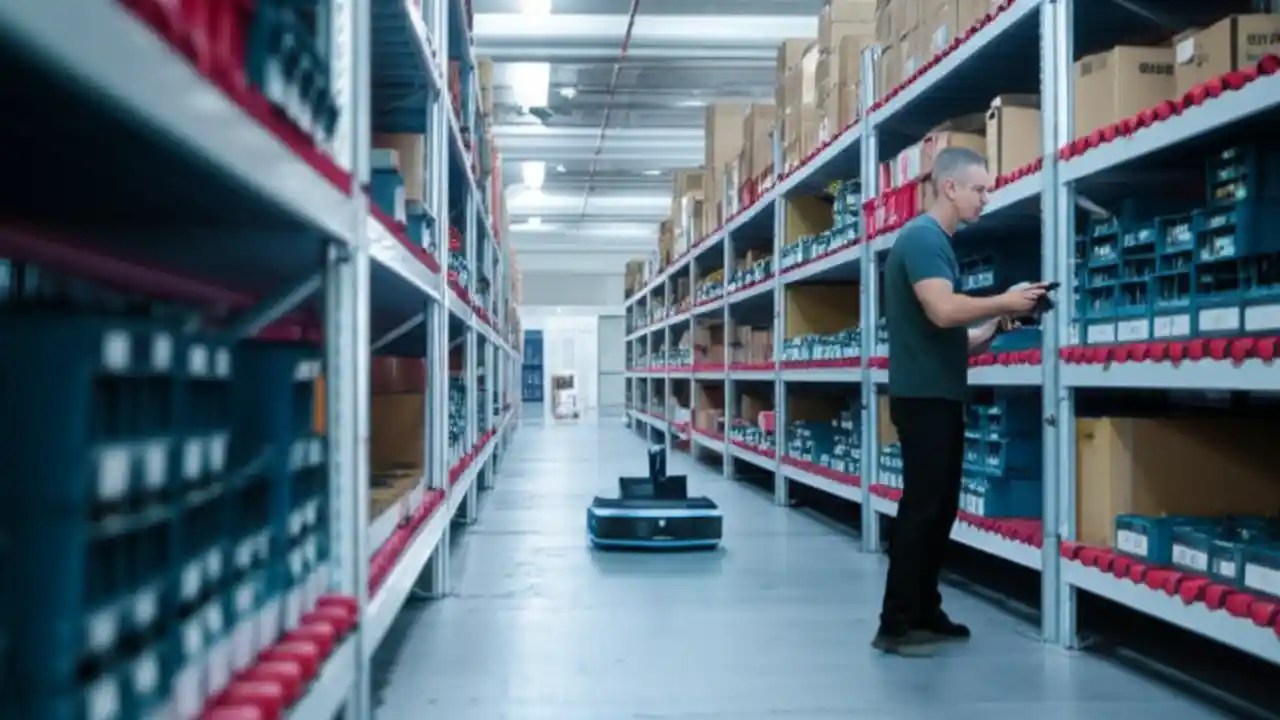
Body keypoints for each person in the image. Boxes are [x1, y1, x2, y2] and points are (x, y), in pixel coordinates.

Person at [873, 147, 1049, 657]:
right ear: (950, 187)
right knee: (922, 509)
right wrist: (1002, 300)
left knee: (939, 509)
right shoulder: (925, 240)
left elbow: (954, 336)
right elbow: (943, 309)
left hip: (940, 392)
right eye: (979, 189)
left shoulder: (938, 243)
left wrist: (1000, 322)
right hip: (924, 397)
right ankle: (897, 622)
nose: (985, 199)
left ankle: (925, 609)